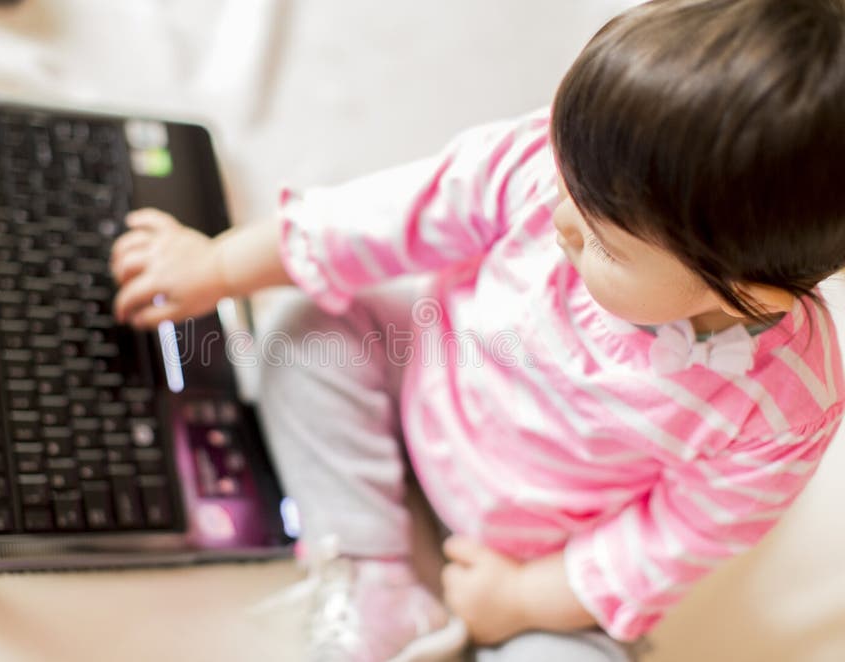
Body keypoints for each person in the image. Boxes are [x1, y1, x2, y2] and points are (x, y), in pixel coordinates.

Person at [109, 0, 845, 659]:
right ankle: (376, 575)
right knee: (307, 330)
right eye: (566, 179)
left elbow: (668, 541)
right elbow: (380, 217)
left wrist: (524, 601)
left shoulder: (782, 408)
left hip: (540, 551)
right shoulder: (549, 171)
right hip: (430, 381)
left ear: (748, 297)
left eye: (606, 242)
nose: (558, 220)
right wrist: (219, 263)